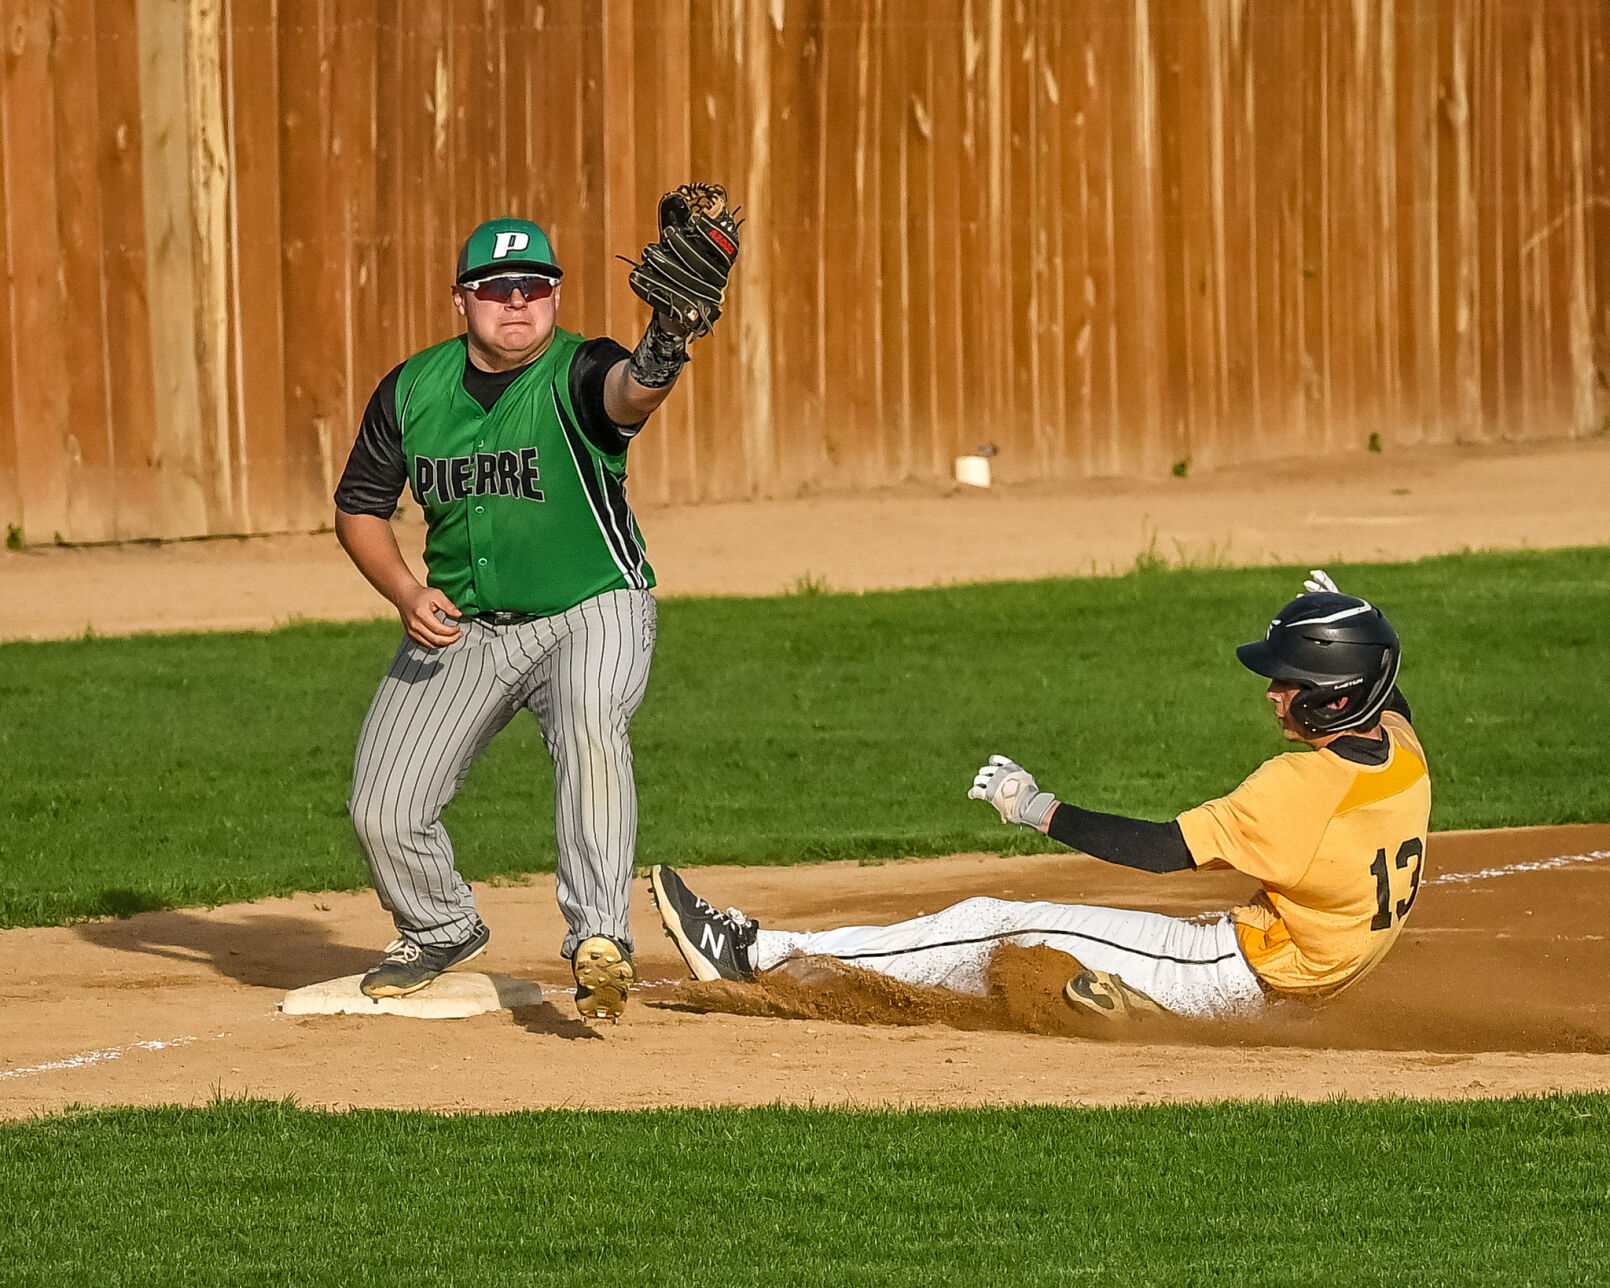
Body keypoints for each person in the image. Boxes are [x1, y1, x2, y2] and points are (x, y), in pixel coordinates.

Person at [649, 573, 1431, 1021]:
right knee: (1058, 948)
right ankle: (1125, 1009)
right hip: (1312, 982)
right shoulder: (1402, 752)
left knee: (996, 922)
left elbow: (1163, 852)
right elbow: (1390, 690)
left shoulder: (1297, 785)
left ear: (1332, 700)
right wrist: (1347, 620)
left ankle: (750, 954)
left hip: (1236, 974)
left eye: (1288, 680)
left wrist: (1039, 810)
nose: (1271, 693)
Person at [334, 193, 738, 1020]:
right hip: (464, 627)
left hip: (593, 608)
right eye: (496, 286)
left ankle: (600, 940)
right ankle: (439, 925)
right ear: (461, 300)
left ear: (553, 295)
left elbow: (630, 394)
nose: (516, 299)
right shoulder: (412, 389)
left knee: (591, 720)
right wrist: (407, 590)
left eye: (533, 284)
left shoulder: (580, 367)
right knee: (382, 807)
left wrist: (664, 345)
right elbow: (359, 508)